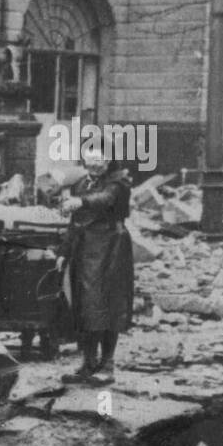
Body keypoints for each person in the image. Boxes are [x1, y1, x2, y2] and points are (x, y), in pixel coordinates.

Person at [57, 152, 134, 385]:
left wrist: (80, 201)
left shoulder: (119, 182)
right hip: (84, 249)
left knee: (109, 303)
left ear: (109, 160)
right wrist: (64, 252)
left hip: (111, 247)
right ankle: (88, 363)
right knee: (84, 304)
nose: (94, 163)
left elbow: (106, 198)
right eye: (90, 157)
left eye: (100, 158)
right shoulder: (81, 183)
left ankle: (107, 364)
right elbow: (75, 222)